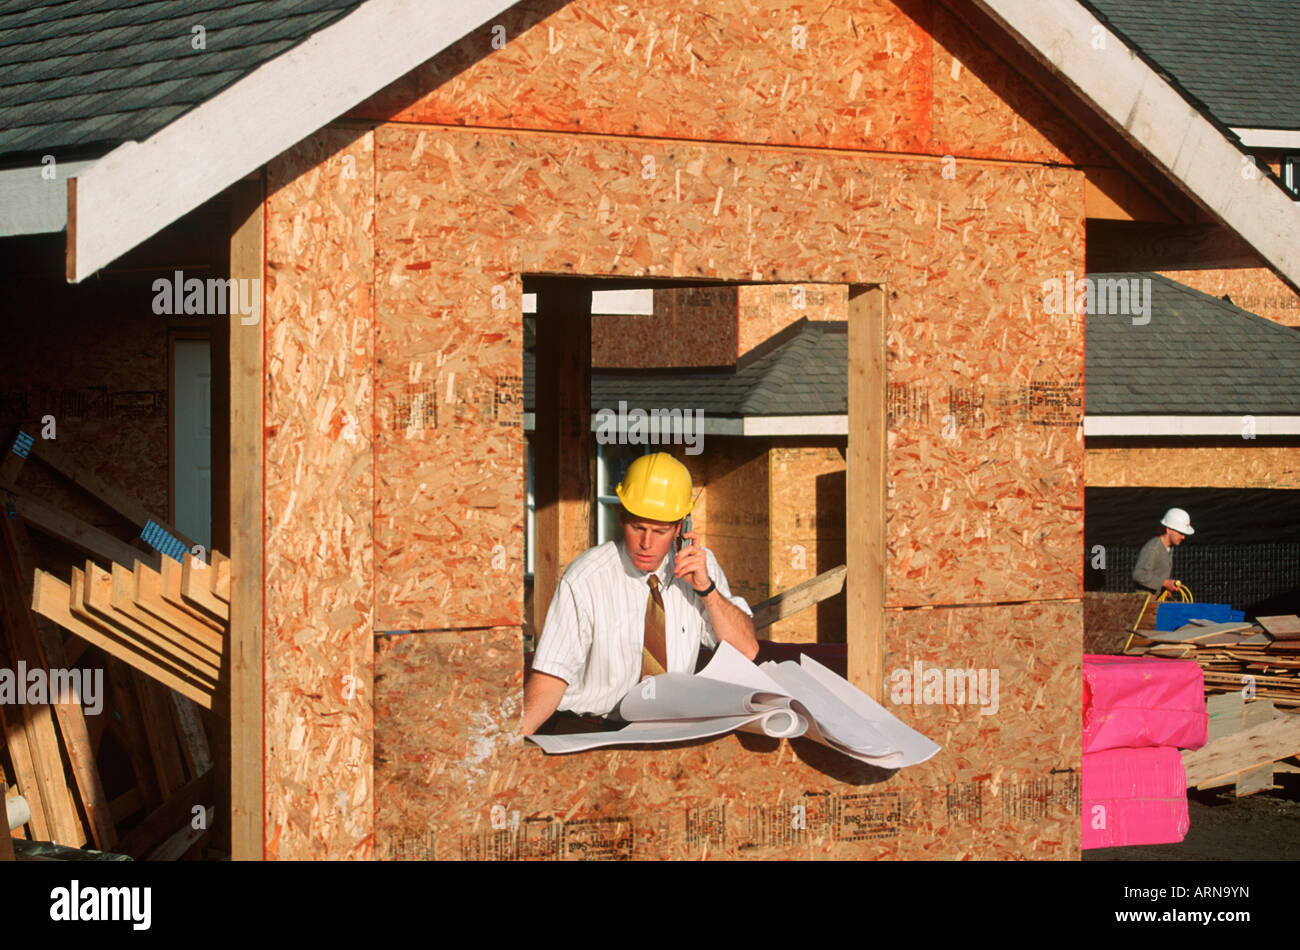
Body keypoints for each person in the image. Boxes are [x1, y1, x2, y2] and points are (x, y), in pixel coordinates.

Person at [522, 452, 758, 735]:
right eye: (639, 527)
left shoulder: (700, 569)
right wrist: (510, 745)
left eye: (660, 531)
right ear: (622, 518)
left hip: (670, 729)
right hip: (592, 730)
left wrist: (707, 590)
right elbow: (551, 676)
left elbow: (746, 650)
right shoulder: (585, 579)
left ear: (680, 529)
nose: (646, 543)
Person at [1132, 507, 1194, 594]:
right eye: (1180, 533)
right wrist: (1164, 583)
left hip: (1156, 601)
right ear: (1168, 530)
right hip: (1145, 602)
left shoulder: (1169, 548)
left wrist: (1165, 589)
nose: (1183, 537)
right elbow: (1139, 575)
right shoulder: (1153, 548)